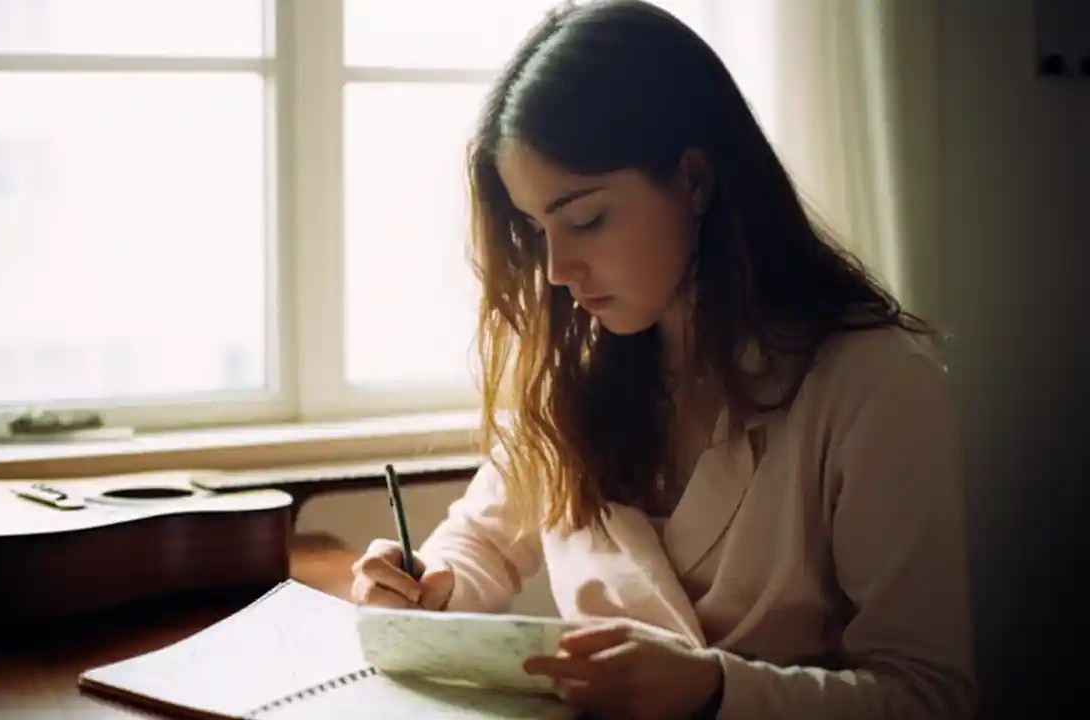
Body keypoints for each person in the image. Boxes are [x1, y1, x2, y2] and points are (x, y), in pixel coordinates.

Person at [349, 1, 975, 717]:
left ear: (696, 181)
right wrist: (423, 585)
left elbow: (929, 697)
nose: (555, 269)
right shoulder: (575, 373)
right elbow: (480, 541)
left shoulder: (873, 385)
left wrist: (715, 689)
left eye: (585, 219)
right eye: (535, 228)